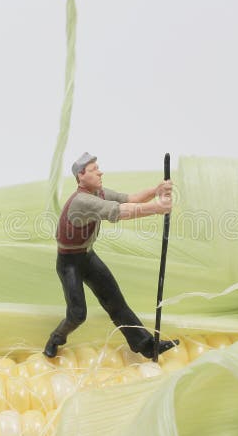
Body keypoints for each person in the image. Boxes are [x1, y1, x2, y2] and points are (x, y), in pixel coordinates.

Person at [44, 152, 179, 358]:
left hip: (87, 257)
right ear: (81, 176)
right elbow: (119, 211)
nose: (101, 172)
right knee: (77, 314)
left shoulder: (98, 193)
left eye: (98, 168)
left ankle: (146, 345)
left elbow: (129, 199)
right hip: (69, 262)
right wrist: (156, 208)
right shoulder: (82, 201)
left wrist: (156, 190)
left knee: (116, 302)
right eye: (94, 169)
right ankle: (56, 338)